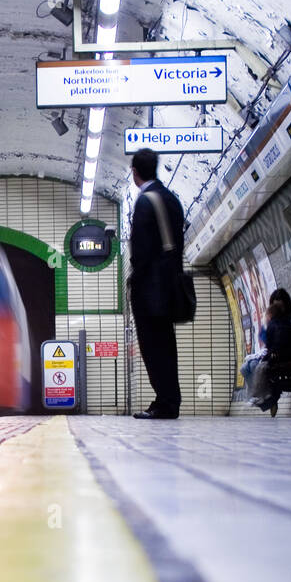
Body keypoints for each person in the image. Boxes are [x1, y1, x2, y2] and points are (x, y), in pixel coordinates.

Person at [127, 148, 184, 419]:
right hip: (170, 285)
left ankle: (166, 403)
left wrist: (134, 281)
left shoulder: (144, 202)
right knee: (166, 345)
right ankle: (168, 399)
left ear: (135, 172)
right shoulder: (172, 199)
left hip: (149, 289)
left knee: (152, 347)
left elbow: (140, 251)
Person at [250, 288, 291, 417]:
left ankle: (266, 398)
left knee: (260, 367)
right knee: (251, 366)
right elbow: (264, 338)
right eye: (275, 306)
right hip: (279, 354)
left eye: (280, 305)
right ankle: (264, 397)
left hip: (287, 355)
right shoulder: (271, 318)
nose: (279, 309)